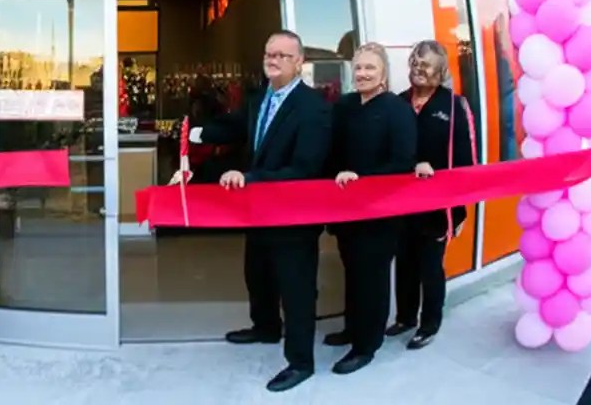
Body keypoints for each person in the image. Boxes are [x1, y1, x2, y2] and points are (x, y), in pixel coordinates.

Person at [172, 30, 331, 393]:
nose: (272, 60)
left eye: (281, 55)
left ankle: (300, 361)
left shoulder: (314, 107)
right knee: (257, 273)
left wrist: (250, 177)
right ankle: (265, 327)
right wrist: (195, 134)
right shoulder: (261, 98)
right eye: (268, 54)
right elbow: (235, 126)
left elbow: (306, 167)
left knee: (296, 287)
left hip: (293, 216)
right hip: (259, 211)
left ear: (298, 62)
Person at [324, 42, 417, 375]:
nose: (362, 74)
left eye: (369, 68)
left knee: (372, 279)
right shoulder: (344, 105)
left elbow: (403, 161)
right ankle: (352, 329)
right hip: (346, 212)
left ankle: (366, 345)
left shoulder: (397, 109)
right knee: (352, 273)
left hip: (380, 214)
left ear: (383, 74)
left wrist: (360, 177)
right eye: (358, 67)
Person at [389, 40, 476, 349]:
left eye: (425, 64)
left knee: (429, 266)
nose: (418, 69)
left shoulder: (455, 106)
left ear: (440, 72)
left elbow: (466, 162)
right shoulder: (397, 103)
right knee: (405, 263)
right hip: (401, 204)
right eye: (415, 62)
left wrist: (460, 209)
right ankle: (405, 317)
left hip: (437, 207)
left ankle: (429, 324)